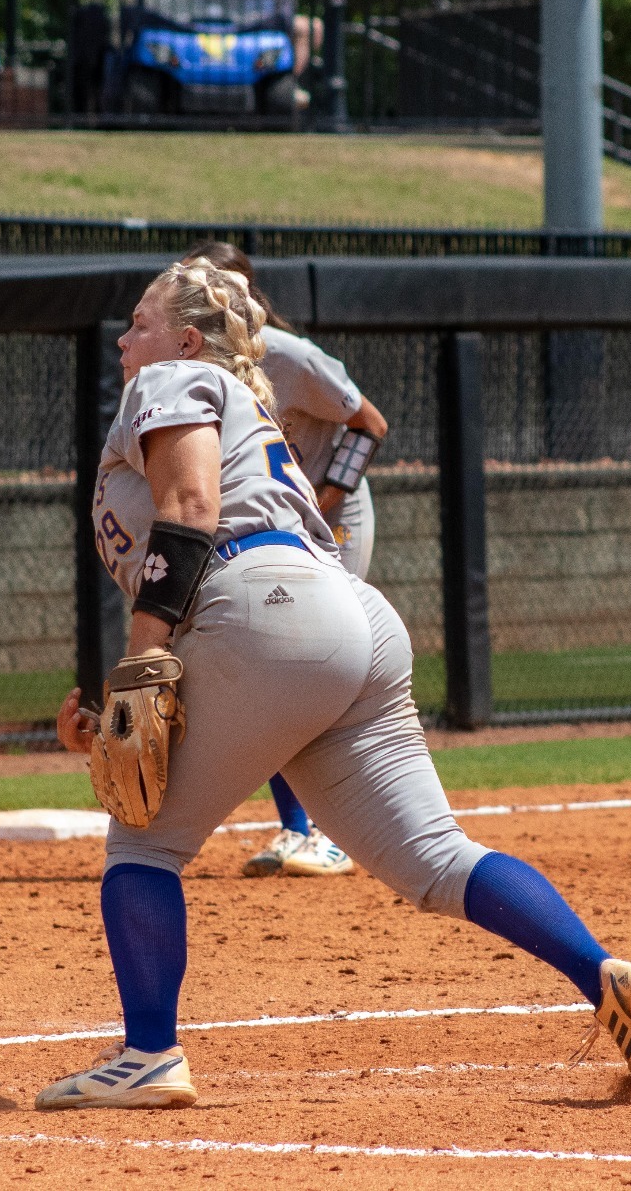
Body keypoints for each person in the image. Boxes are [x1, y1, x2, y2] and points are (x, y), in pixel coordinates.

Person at [39, 262, 631, 1110]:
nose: (125, 341)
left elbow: (192, 510)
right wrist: (118, 707)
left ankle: (150, 1053)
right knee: (436, 858)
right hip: (345, 617)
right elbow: (219, 601)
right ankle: (605, 975)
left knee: (144, 844)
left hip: (269, 609)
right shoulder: (244, 404)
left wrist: (139, 664)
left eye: (140, 323)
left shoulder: (168, 380)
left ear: (187, 340)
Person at [181, 241, 391, 878]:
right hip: (274, 519)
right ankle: (298, 830)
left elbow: (371, 424)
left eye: (220, 285)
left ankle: (330, 833)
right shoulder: (196, 360)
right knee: (267, 660)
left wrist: (325, 498)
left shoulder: (290, 355)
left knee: (305, 658)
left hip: (333, 512)